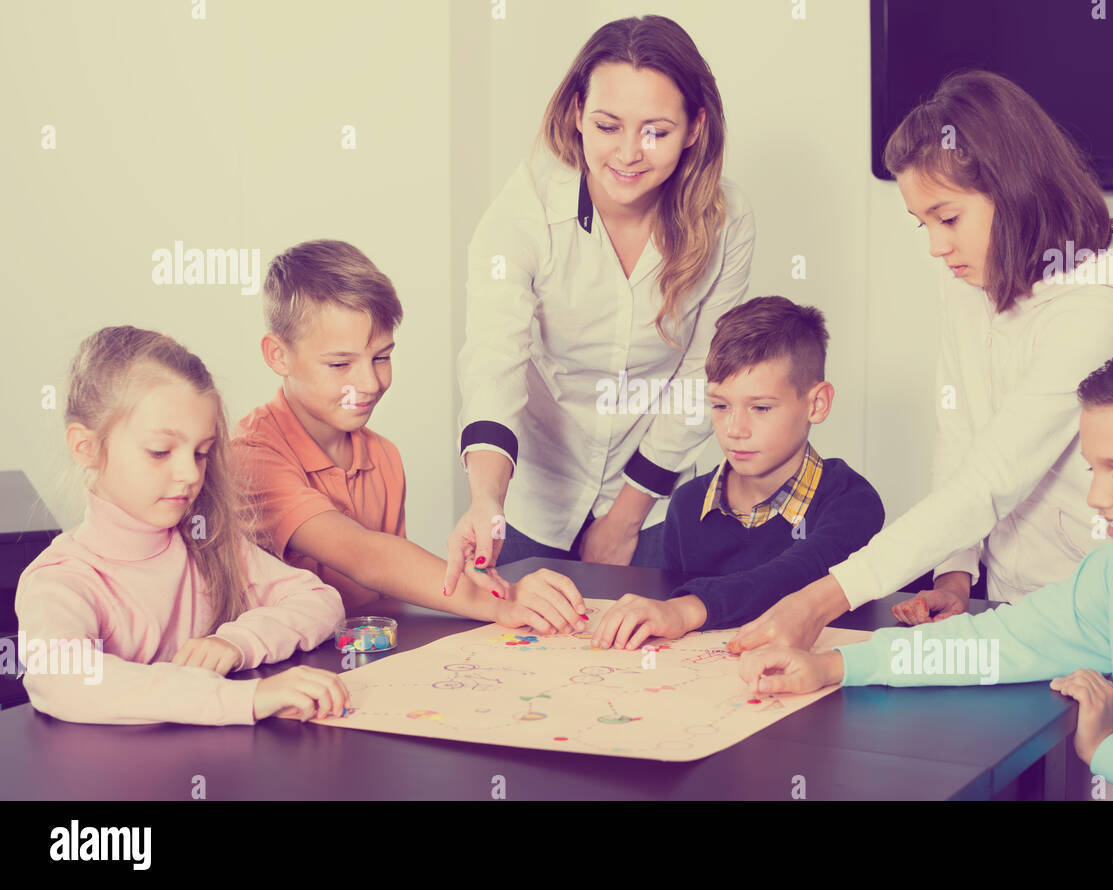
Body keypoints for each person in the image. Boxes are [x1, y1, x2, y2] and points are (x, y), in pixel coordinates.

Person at [739, 342, 1113, 801]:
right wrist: (836, 665)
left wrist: (1108, 750)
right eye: (1093, 471)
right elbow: (995, 644)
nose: (1097, 496)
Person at [731, 70, 1113, 653]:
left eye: (948, 217)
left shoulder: (1097, 315)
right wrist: (955, 575)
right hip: (1005, 600)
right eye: (922, 223)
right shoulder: (965, 282)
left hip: (1095, 612)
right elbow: (960, 433)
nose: (935, 246)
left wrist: (822, 598)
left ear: (1015, 189)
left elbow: (991, 480)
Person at [446, 14, 756, 597]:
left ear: (694, 129)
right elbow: (495, 360)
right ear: (576, 117)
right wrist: (487, 499)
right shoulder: (524, 212)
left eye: (656, 131)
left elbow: (700, 377)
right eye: (608, 125)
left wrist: (625, 518)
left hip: (651, 499)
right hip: (534, 497)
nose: (628, 153)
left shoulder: (728, 220)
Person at [233, 240, 586, 635]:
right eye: (340, 363)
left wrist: (481, 582)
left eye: (381, 357)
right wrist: (501, 601)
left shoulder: (383, 456)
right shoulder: (251, 457)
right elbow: (367, 558)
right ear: (278, 355)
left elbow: (386, 589)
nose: (369, 382)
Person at [16, 326, 349, 725]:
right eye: (160, 452)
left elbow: (321, 601)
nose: (190, 473)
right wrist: (246, 697)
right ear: (86, 447)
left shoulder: (206, 544)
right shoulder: (60, 580)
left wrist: (237, 641)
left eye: (202, 452)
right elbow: (63, 680)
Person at [590, 296, 884, 649]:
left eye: (760, 407)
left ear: (816, 404)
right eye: (720, 405)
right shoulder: (687, 505)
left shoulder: (852, 502)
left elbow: (795, 576)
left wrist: (687, 610)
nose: (734, 429)